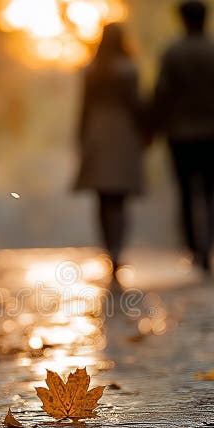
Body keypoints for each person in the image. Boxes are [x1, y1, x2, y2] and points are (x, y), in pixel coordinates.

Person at [154, 0, 214, 274]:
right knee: (211, 191)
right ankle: (208, 246)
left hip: (179, 133)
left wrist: (156, 125)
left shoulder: (172, 53)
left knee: (186, 192)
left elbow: (162, 94)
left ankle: (194, 248)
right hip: (212, 132)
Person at [75, 24, 146, 272]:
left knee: (103, 197)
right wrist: (145, 133)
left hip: (98, 132)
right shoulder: (130, 70)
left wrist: (81, 137)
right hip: (123, 134)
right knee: (120, 197)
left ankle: (109, 248)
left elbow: (83, 108)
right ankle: (118, 248)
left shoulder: (91, 71)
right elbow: (137, 106)